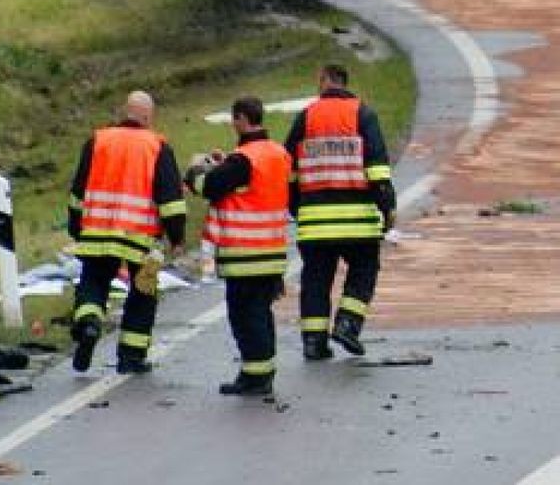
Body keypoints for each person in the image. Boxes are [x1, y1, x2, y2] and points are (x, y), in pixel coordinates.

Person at [67, 90, 186, 374]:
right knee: (144, 293)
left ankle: (88, 324)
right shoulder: (157, 146)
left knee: (93, 283)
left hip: (96, 232)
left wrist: (76, 226)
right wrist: (177, 236)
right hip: (141, 240)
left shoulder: (98, 140)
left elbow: (78, 191)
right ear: (147, 117)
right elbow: (170, 200)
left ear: (125, 112)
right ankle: (131, 357)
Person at [285, 64, 395, 360]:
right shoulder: (363, 114)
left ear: (324, 81)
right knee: (363, 271)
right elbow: (378, 169)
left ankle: (313, 342)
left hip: (314, 223)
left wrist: (298, 209)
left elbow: (289, 171)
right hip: (357, 222)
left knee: (316, 281)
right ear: (345, 83)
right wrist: (388, 208)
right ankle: (347, 323)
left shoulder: (305, 117)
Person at [186, 96, 291, 396]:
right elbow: (250, 188)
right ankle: (259, 371)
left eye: (234, 120)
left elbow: (208, 186)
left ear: (242, 120)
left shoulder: (244, 159)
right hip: (272, 251)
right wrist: (223, 164)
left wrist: (196, 168)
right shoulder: (277, 154)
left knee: (245, 316)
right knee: (260, 313)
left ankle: (256, 377)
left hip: (245, 254)